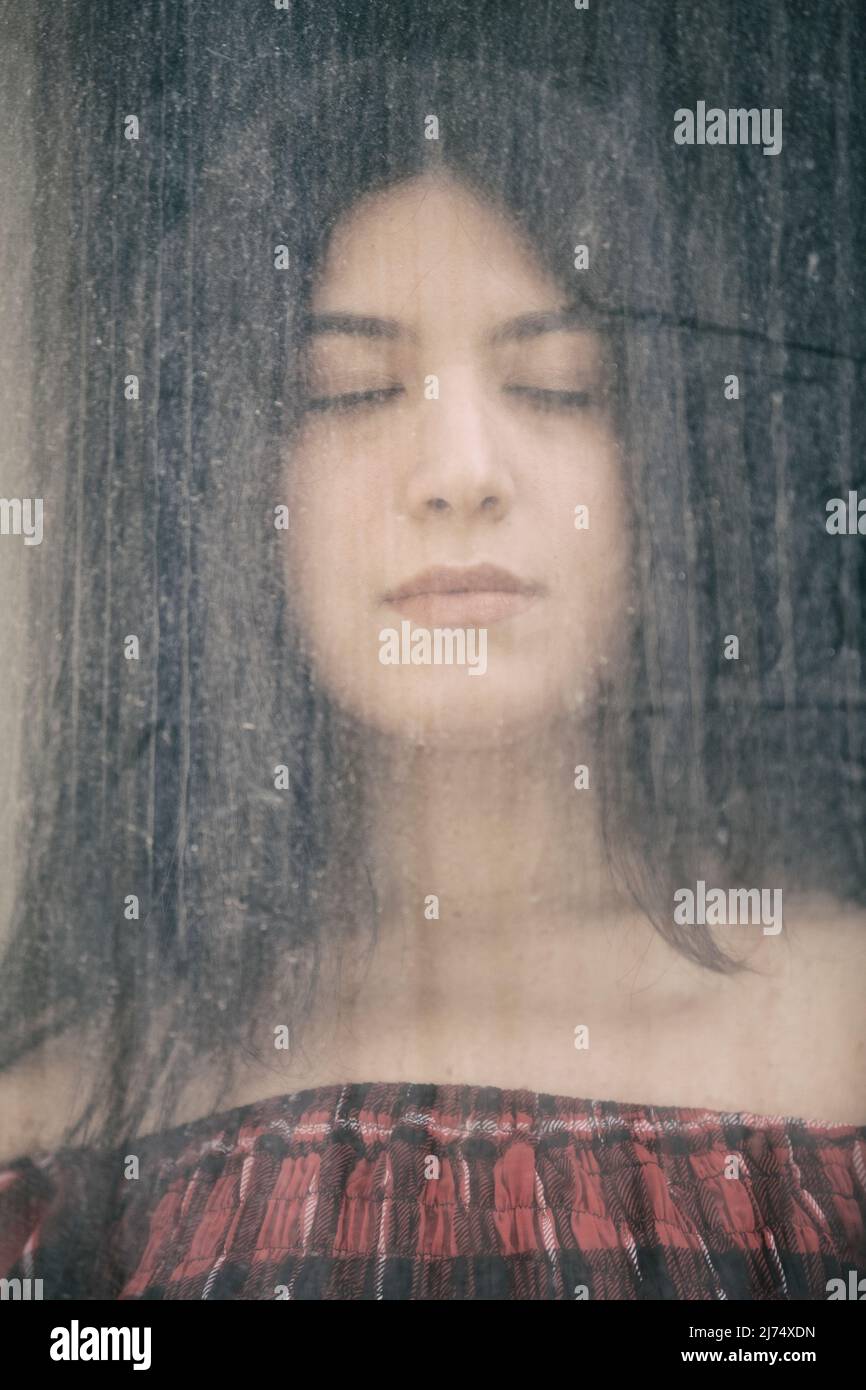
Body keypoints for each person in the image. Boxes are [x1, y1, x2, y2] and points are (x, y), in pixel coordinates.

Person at [0, 52, 863, 1300]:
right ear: (237, 489)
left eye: (555, 385)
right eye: (348, 392)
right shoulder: (58, 1136)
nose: (460, 468)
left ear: (659, 480)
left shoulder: (841, 1038)